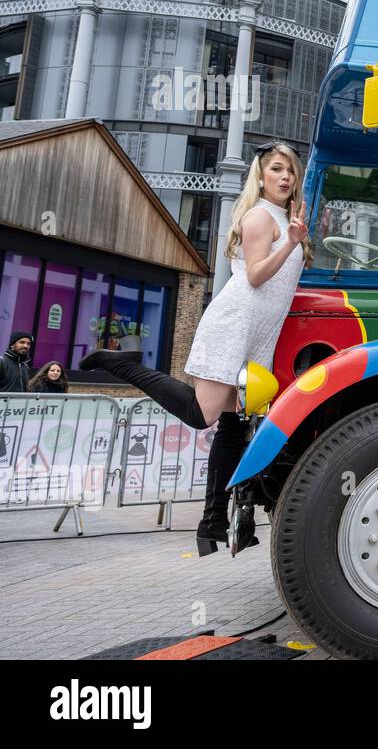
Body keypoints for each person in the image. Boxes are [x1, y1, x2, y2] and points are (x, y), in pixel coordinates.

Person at [81, 142, 311, 555]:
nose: (285, 177)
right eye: (277, 169)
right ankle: (123, 365)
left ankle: (213, 524)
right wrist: (291, 243)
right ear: (260, 175)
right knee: (202, 415)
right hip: (235, 323)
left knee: (233, 425)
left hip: (258, 333)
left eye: (291, 171)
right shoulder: (260, 216)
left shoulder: (288, 218)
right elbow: (257, 276)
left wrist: (296, 238)